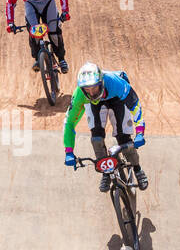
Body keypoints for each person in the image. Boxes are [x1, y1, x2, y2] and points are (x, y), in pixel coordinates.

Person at [62, 63, 148, 192]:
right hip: (95, 104)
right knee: (96, 138)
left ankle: (137, 168)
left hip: (117, 98)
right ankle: (106, 173)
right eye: (87, 89)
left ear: (101, 82)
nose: (91, 92)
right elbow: (69, 123)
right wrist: (68, 151)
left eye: (94, 88)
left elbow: (135, 106)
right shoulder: (80, 94)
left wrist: (140, 132)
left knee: (123, 137)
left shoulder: (116, 83)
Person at [5, 0, 70, 73]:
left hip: (47, 3)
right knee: (34, 31)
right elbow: (10, 3)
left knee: (54, 31)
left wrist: (65, 11)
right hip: (31, 4)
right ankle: (37, 58)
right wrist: (10, 23)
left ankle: (61, 59)